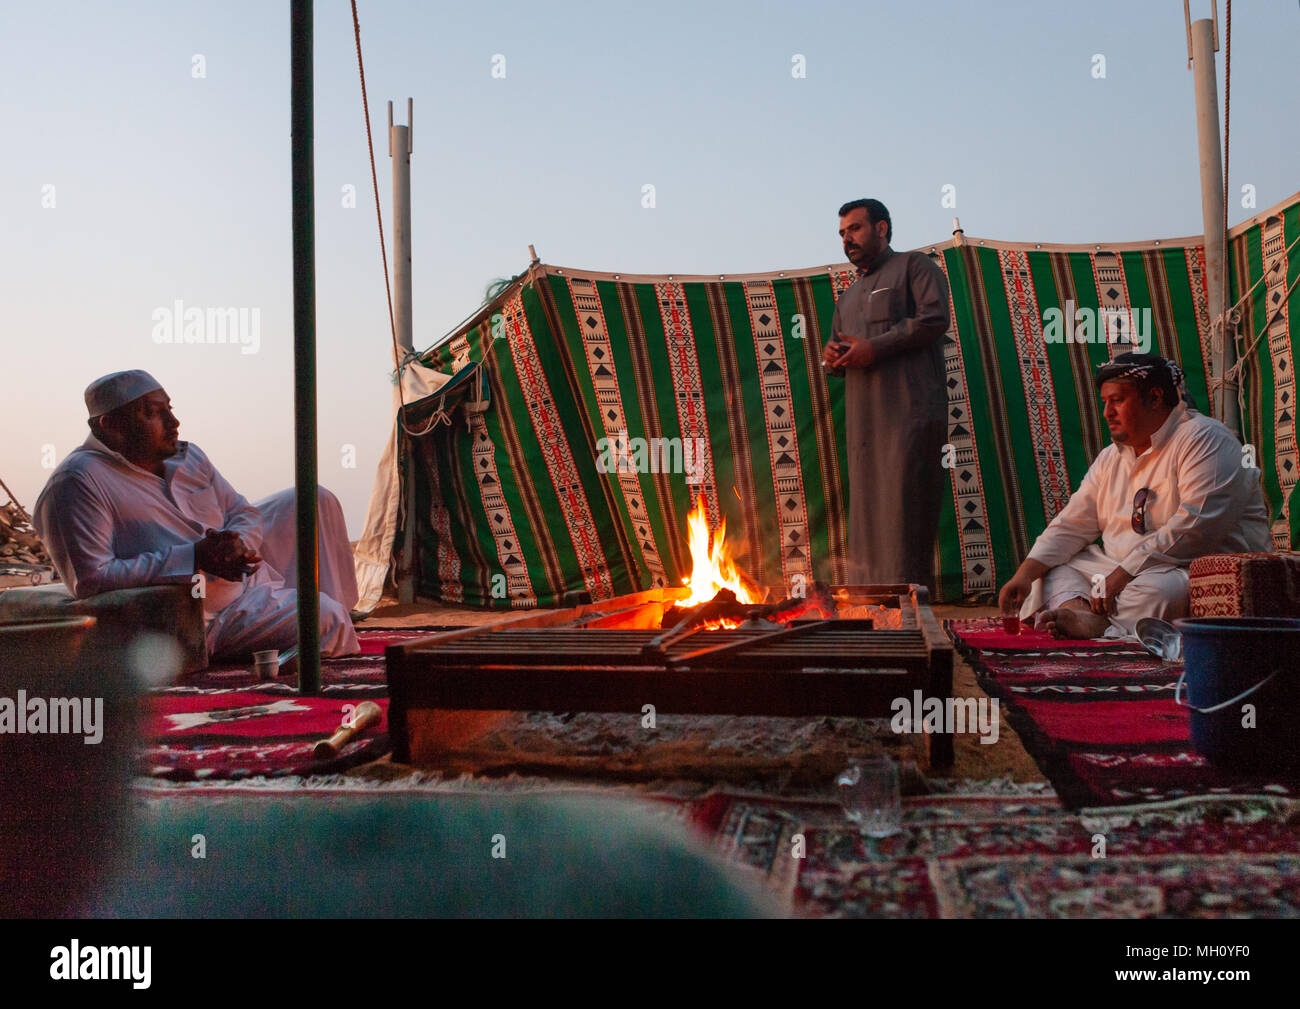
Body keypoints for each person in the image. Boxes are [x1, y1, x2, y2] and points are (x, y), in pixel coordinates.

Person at [33, 369, 359, 658]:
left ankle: (308, 618)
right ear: (113, 426)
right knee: (326, 617)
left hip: (242, 574)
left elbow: (241, 510)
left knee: (314, 499)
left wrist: (235, 545)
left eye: (169, 409)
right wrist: (194, 558)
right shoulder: (78, 482)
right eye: (154, 414)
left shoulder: (188, 456)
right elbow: (91, 578)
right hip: (206, 611)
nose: (173, 422)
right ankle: (312, 629)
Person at [997, 353, 1271, 638]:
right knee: (1052, 570)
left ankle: (1103, 626)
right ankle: (1080, 613)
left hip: (1187, 569)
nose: (1107, 412)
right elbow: (1071, 524)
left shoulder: (1205, 439)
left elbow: (1194, 527)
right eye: (1105, 402)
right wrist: (1024, 575)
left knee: (1160, 593)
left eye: (1116, 401)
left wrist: (1122, 574)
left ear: (1154, 398)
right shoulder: (1110, 459)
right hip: (1121, 572)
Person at [823, 199, 951, 590]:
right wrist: (831, 358)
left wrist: (874, 348)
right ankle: (873, 601)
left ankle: (909, 606)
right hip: (864, 425)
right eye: (842, 233)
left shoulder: (915, 267)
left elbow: (934, 319)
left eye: (855, 229)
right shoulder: (846, 298)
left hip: (909, 416)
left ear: (881, 228)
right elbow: (837, 350)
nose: (848, 240)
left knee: (904, 509)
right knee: (868, 510)